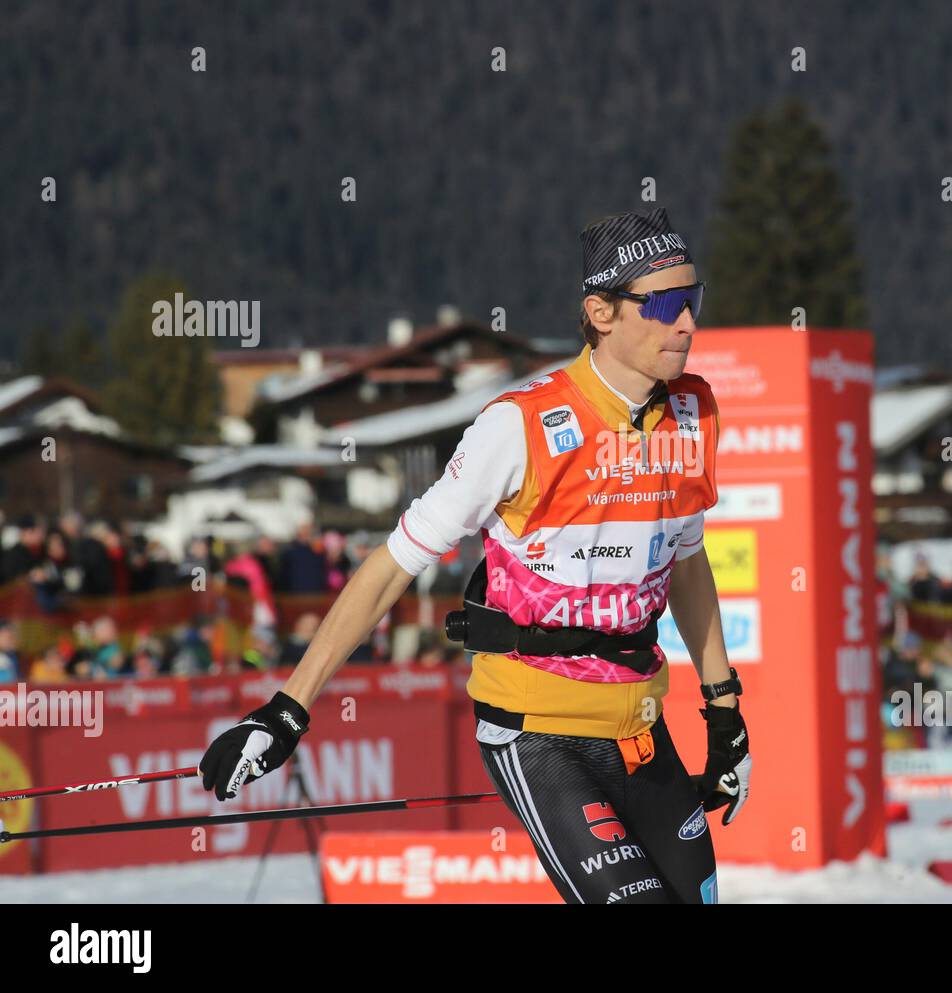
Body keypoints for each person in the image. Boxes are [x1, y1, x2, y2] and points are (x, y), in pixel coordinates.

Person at [198, 207, 747, 904]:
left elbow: (688, 561)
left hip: (639, 723)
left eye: (694, 301)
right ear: (600, 312)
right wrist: (287, 709)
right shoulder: (519, 427)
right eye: (665, 304)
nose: (688, 324)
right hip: (539, 731)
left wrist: (723, 707)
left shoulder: (692, 413)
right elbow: (393, 564)